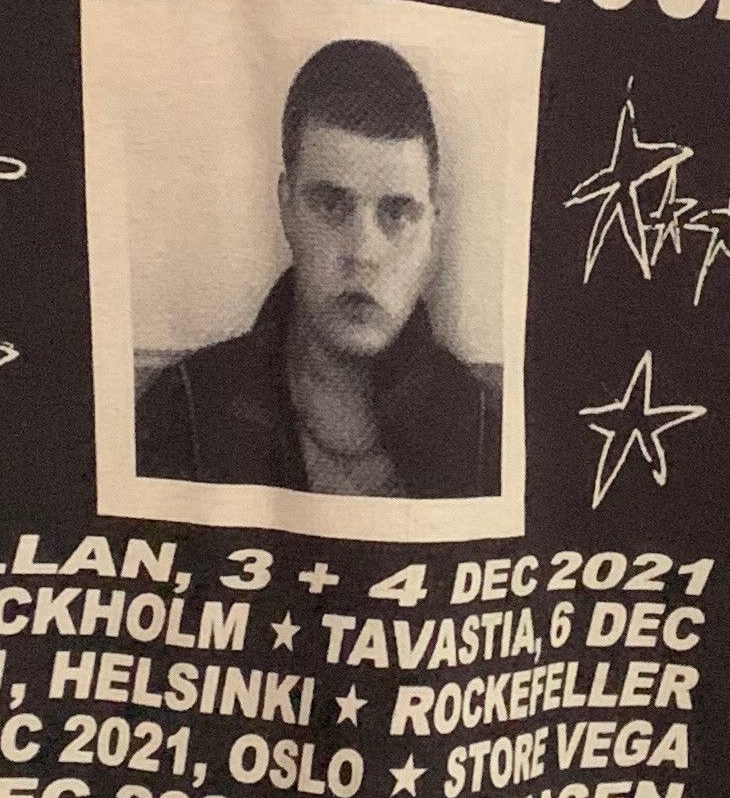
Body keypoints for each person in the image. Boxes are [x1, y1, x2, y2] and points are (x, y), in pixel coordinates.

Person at [135, 36, 501, 498]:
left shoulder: (484, 433)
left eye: (397, 212)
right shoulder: (184, 415)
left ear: (432, 227)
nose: (363, 253)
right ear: (286, 208)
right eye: (331, 205)